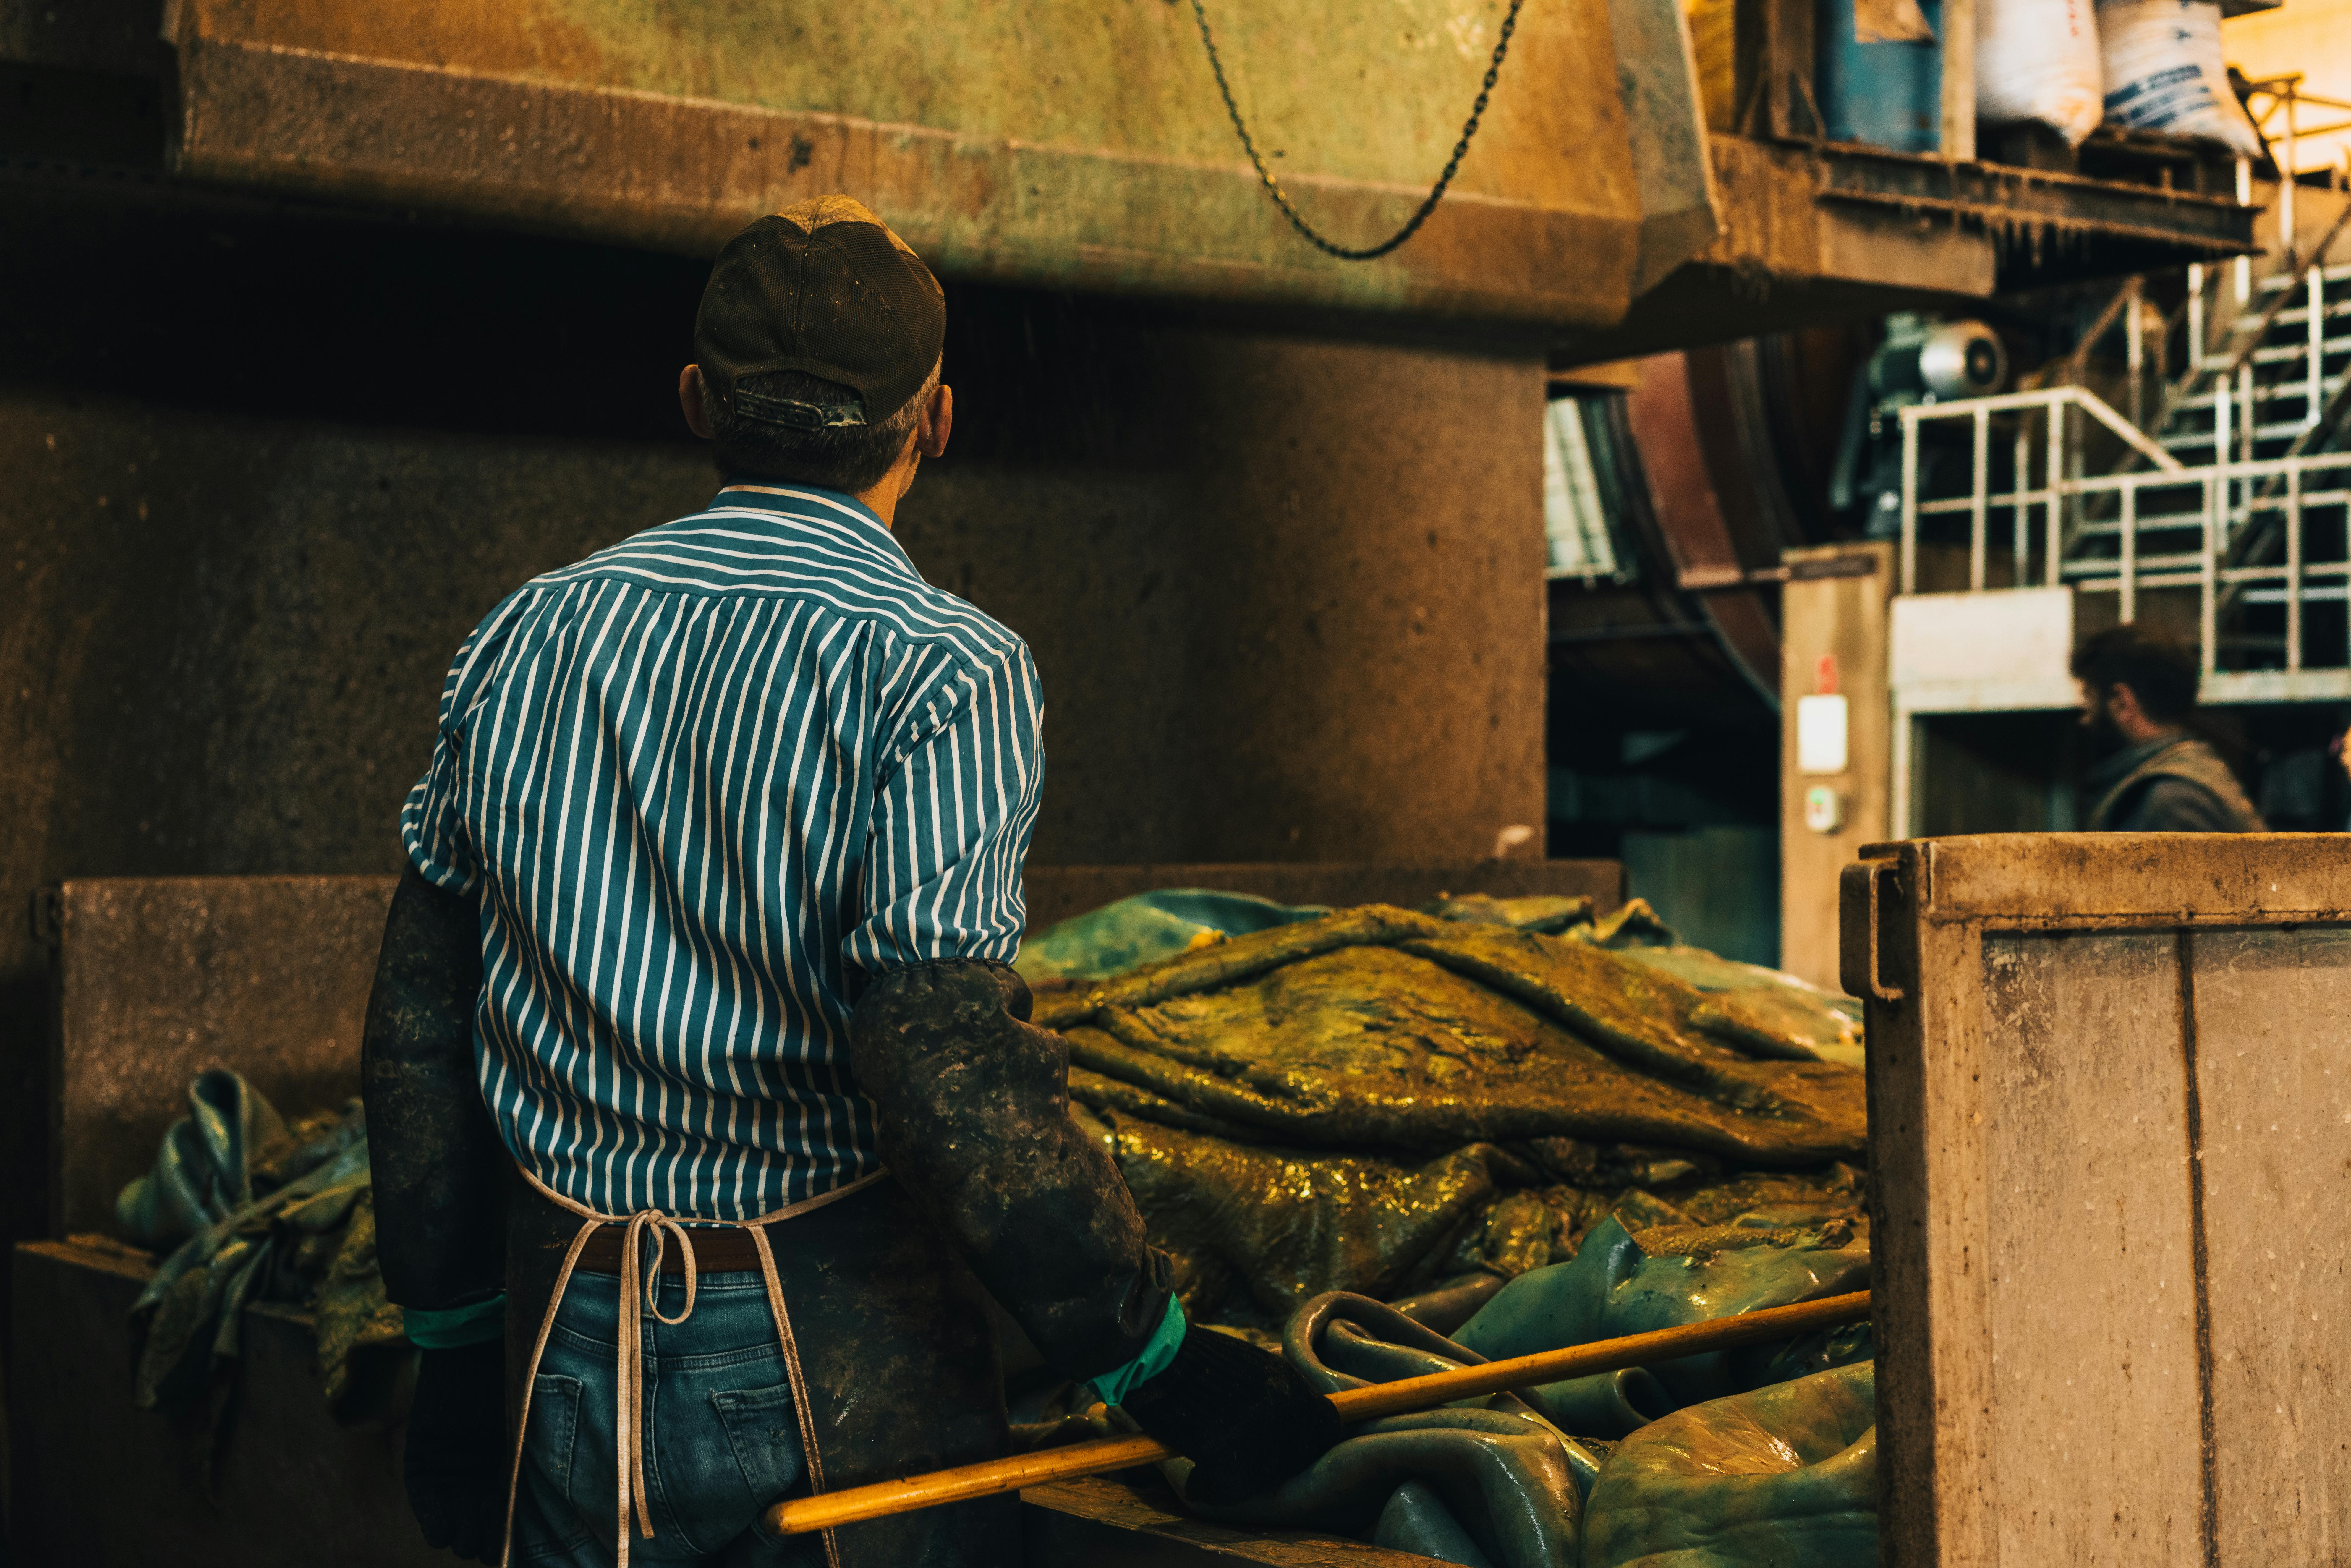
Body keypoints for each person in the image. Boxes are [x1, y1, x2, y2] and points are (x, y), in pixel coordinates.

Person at [359, 195, 1339, 1568]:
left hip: (561, 1351)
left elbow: (415, 1024)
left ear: (698, 400)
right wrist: (1155, 1358)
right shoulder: (948, 669)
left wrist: (456, 1342)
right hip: (831, 1373)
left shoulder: (529, 632)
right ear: (936, 420)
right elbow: (942, 1057)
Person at [2070, 623, 2265, 832]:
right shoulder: (2188, 775)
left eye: (2089, 699)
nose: (2085, 719)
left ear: (2122, 702)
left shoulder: (2171, 800)